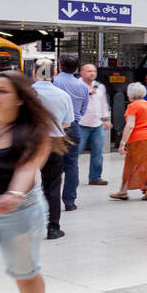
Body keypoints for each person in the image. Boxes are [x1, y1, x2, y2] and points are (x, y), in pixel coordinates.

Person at [0, 70, 62, 293]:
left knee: (25, 273)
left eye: (2, 91)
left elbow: (26, 170)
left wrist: (12, 194)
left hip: (20, 212)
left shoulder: (35, 132)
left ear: (20, 98)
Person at [31, 60, 72, 240]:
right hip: (54, 142)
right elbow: (67, 123)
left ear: (34, 73)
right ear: (54, 73)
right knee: (52, 185)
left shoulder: (27, 94)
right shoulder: (63, 95)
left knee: (24, 184)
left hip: (28, 142)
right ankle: (53, 227)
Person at [110, 83, 147, 201]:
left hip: (137, 139)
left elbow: (130, 125)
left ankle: (123, 192)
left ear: (130, 95)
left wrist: (122, 143)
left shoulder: (132, 106)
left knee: (131, 165)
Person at [52, 54, 88, 211]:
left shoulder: (54, 82)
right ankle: (70, 201)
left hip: (54, 126)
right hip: (73, 126)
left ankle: (51, 198)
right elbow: (83, 109)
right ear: (77, 69)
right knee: (72, 164)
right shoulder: (82, 86)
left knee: (53, 164)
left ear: (59, 66)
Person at [77, 62, 111, 188]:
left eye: (94, 71)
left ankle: (95, 177)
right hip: (81, 124)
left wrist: (106, 119)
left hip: (97, 124)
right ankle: (69, 175)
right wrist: (86, 92)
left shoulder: (100, 86)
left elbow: (103, 103)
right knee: (75, 152)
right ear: (81, 72)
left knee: (98, 152)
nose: (92, 73)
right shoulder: (77, 85)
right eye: (89, 71)